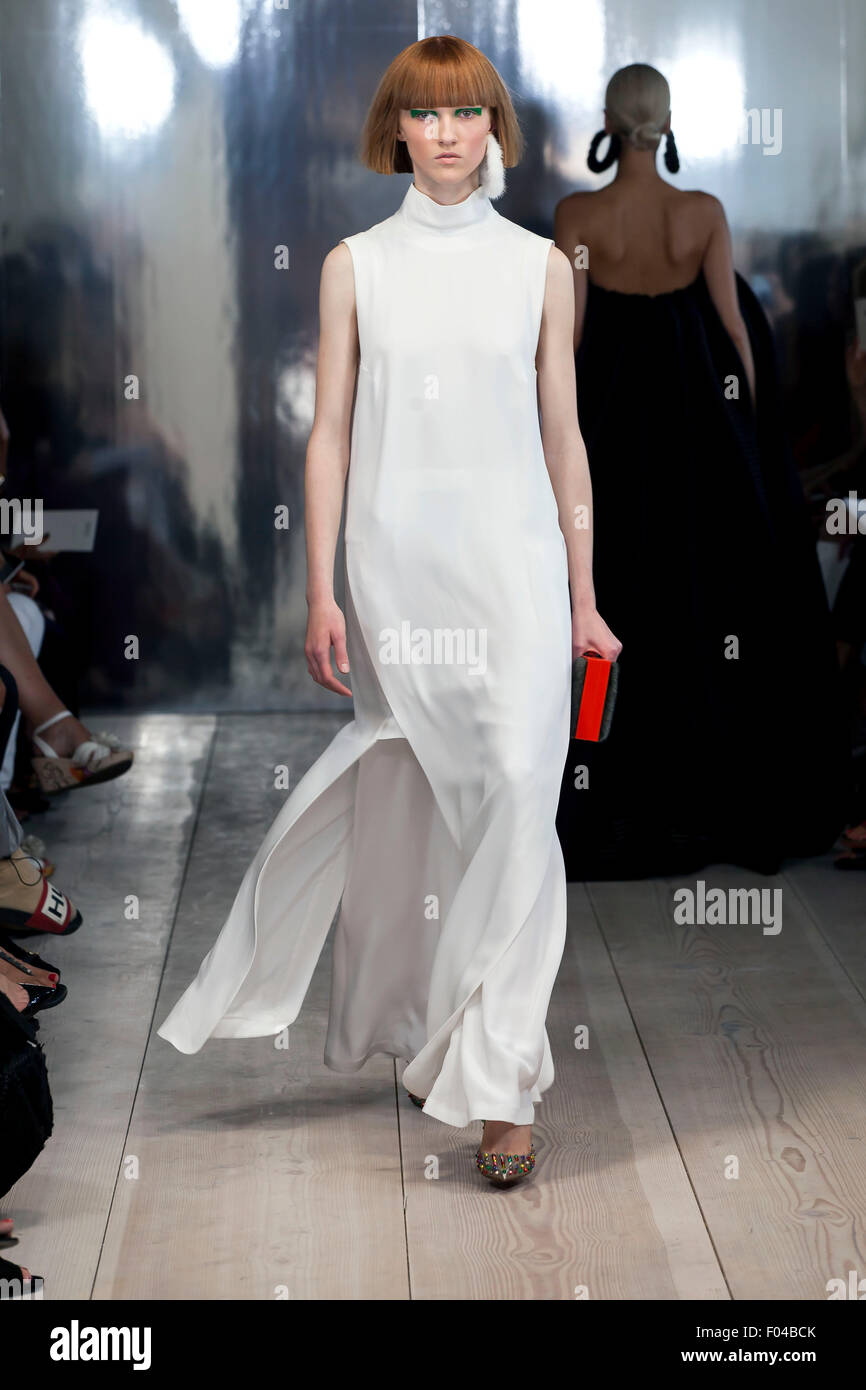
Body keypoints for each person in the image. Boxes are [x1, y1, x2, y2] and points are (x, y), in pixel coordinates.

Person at [158, 34, 620, 1185]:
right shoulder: (354, 262)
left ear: (494, 128)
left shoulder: (540, 266)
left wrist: (584, 594)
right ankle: (437, 1033)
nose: (451, 132)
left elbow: (564, 440)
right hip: (398, 571)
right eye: (428, 114)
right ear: (395, 132)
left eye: (470, 112)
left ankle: (500, 1087)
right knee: (421, 810)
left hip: (513, 570)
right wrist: (321, 586)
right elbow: (330, 436)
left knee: (518, 799)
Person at [554, 64, 847, 880]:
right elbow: (738, 334)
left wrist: (549, 444)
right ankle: (700, 796)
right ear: (667, 122)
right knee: (702, 610)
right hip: (696, 447)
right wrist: (757, 440)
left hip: (609, 443)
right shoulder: (702, 214)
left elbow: (568, 347)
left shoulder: (578, 214)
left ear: (611, 123)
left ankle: (594, 792)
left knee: (603, 613)